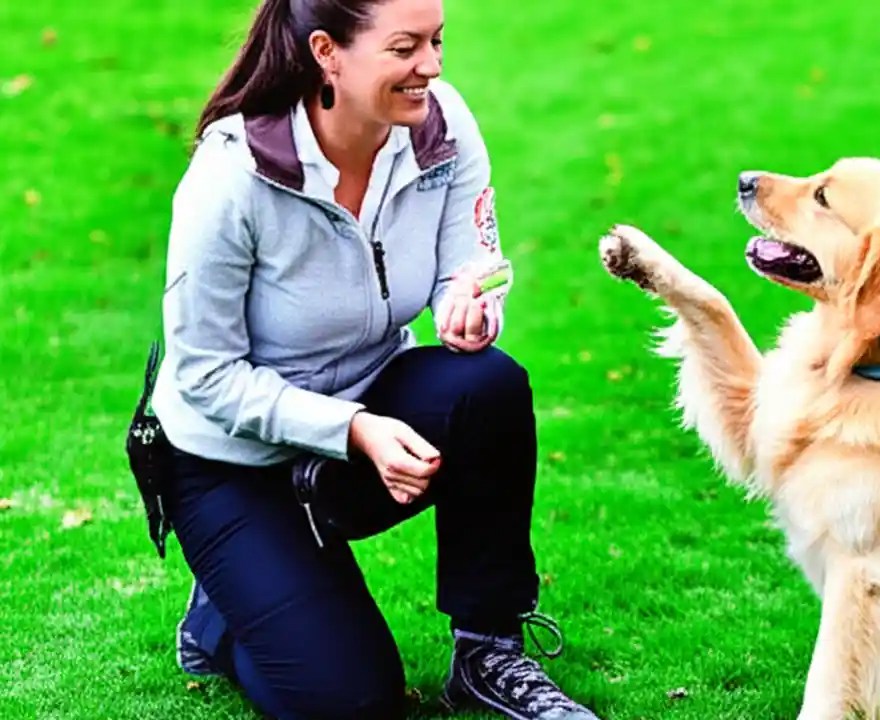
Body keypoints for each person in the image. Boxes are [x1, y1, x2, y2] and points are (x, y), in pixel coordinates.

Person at [147, 0, 600, 718]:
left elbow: (474, 266)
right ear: (327, 52)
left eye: (438, 41)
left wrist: (470, 305)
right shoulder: (233, 173)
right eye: (405, 47)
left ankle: (487, 650)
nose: (432, 66)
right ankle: (219, 616)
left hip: (361, 420)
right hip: (230, 459)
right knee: (353, 703)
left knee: (488, 385)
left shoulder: (442, 128)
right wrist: (353, 429)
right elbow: (205, 374)